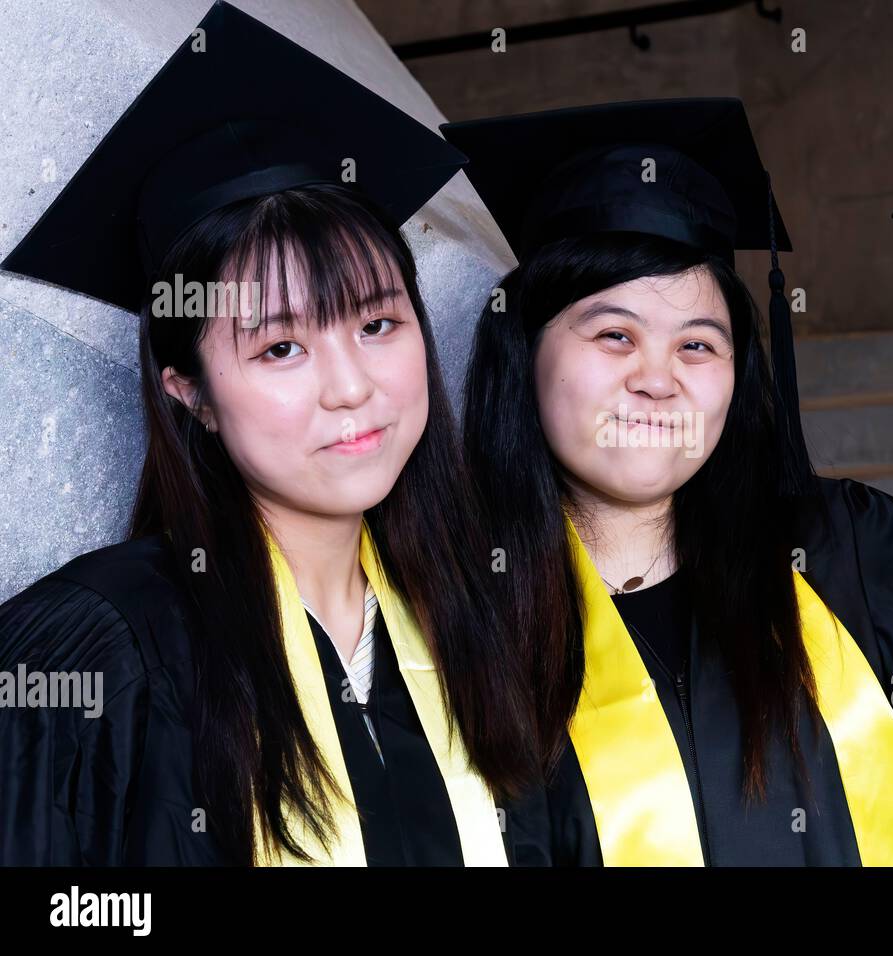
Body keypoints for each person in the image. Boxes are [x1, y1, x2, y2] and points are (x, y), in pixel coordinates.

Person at [0, 1, 540, 866]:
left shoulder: (463, 619)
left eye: (376, 325)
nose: (352, 387)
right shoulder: (105, 652)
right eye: (282, 346)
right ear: (191, 395)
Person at [446, 98, 893, 866]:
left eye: (697, 344)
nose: (657, 379)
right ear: (526, 354)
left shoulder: (856, 552)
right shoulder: (465, 614)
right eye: (614, 335)